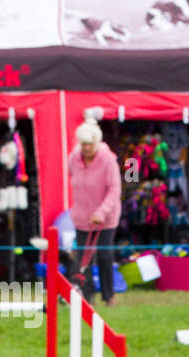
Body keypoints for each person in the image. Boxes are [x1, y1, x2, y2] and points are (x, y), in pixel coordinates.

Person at [67, 117, 122, 306]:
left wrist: (102, 212)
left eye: (90, 144)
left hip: (106, 218)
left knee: (105, 256)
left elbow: (115, 189)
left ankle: (109, 296)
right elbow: (72, 177)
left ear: (96, 143)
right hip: (83, 217)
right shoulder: (73, 159)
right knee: (83, 258)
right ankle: (87, 296)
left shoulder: (108, 160)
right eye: (83, 144)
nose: (87, 148)